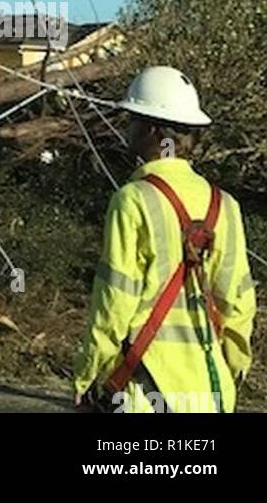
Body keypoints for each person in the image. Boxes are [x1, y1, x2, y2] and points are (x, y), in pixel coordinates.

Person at [73, 66, 256, 413]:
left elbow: (114, 303)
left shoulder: (133, 200)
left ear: (151, 129)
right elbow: (239, 304)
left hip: (145, 392)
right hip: (212, 393)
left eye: (132, 122)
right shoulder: (225, 206)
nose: (126, 132)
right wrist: (230, 371)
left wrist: (87, 376)